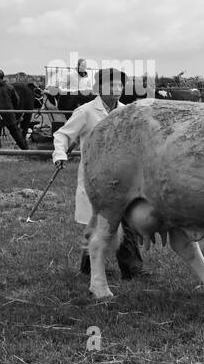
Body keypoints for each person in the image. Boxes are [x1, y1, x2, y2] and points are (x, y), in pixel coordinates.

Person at [51, 71, 146, 279]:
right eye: (111, 85)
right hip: (96, 177)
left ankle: (132, 269)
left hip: (123, 177)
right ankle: (89, 266)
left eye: (120, 85)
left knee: (126, 221)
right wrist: (60, 154)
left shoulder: (127, 112)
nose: (117, 89)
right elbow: (63, 134)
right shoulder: (86, 112)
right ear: (99, 88)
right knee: (97, 222)